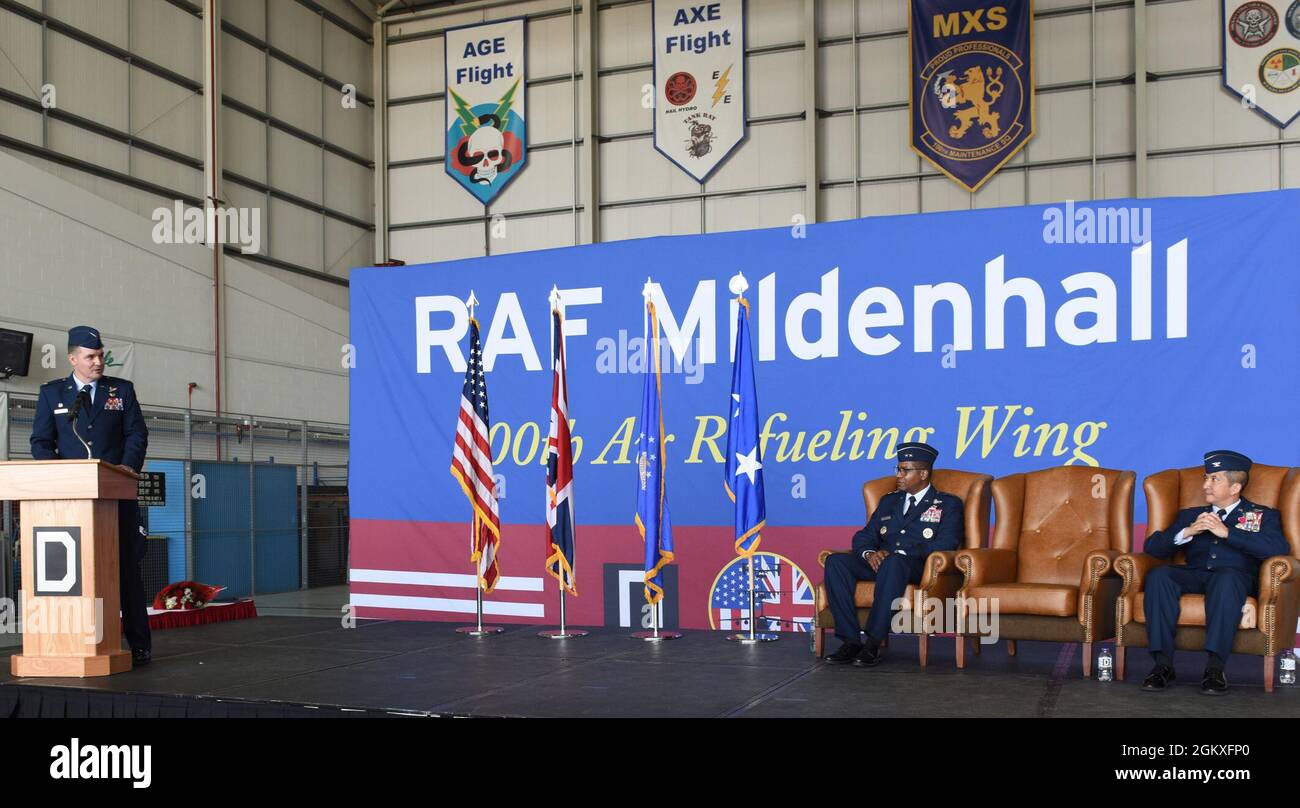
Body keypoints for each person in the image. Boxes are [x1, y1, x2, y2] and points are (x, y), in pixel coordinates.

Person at [30, 325, 152, 666]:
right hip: (70, 504)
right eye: (90, 357)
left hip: (116, 496)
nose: (98, 362)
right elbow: (41, 442)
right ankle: (73, 640)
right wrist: (60, 477)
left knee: (126, 569)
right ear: (73, 359)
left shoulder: (121, 390)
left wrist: (127, 468)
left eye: (100, 355)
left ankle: (139, 644)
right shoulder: (52, 393)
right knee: (75, 572)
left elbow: (137, 433)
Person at [1139, 450, 1288, 695]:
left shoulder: (1262, 515)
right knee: (1159, 576)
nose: (1205, 485)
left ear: (1235, 487)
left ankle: (1215, 669)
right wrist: (1188, 532)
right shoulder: (1191, 514)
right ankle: (1162, 665)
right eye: (1206, 478)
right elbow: (1153, 548)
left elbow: (1278, 549)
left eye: (1214, 479)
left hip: (1235, 577)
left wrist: (1228, 533)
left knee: (1226, 580)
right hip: (1196, 573)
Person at [822, 442, 964, 667]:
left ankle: (872, 643)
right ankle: (850, 641)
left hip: (916, 567)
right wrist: (869, 554)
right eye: (898, 469)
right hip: (883, 564)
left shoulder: (947, 503)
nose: (898, 475)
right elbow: (865, 536)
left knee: (895, 561)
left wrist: (899, 552)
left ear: (923, 474)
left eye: (904, 470)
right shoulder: (889, 501)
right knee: (836, 561)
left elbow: (947, 543)